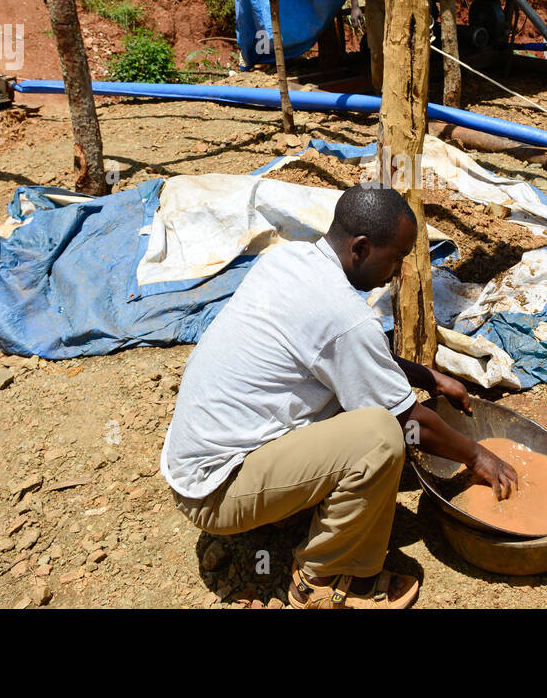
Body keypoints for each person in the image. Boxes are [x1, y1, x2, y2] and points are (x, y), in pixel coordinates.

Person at [161, 186, 518, 609]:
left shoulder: (289, 259)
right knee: (381, 435)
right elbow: (409, 422)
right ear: (362, 248)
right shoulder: (344, 317)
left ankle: (291, 511)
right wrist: (476, 455)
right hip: (215, 493)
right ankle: (325, 579)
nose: (400, 270)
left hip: (197, 462)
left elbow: (341, 352)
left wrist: (428, 376)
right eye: (396, 257)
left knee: (354, 401)